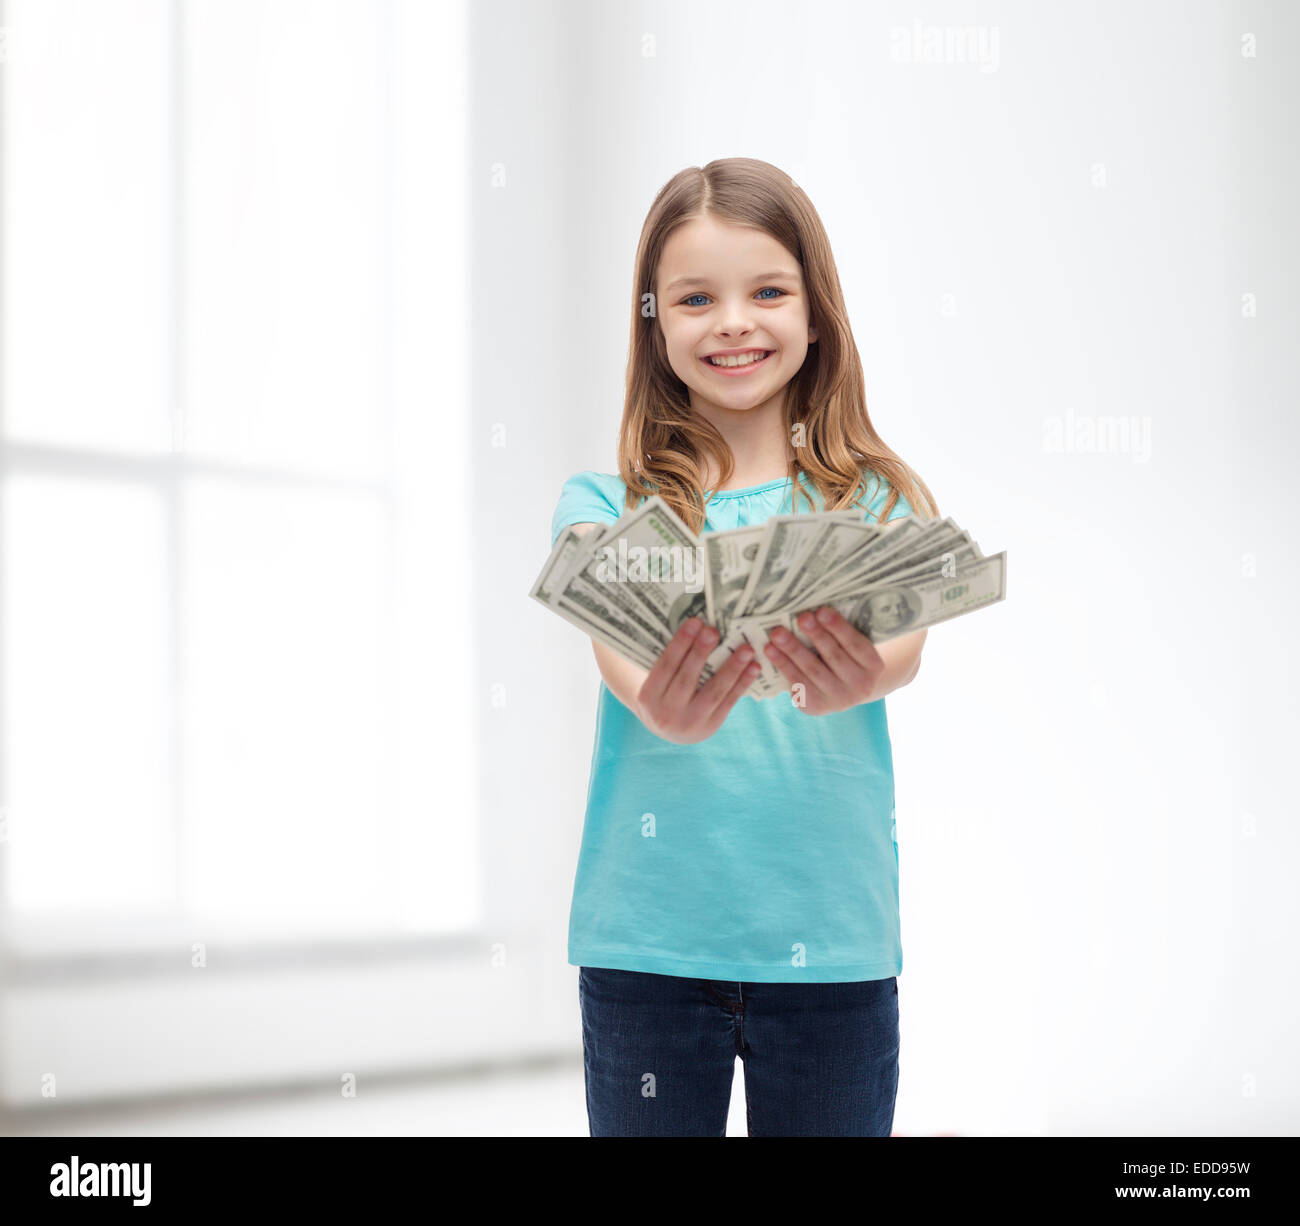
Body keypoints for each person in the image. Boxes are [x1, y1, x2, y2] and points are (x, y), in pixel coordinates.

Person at [548, 158, 940, 1137]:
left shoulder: (875, 502)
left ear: (817, 316)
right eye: (695, 298)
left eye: (767, 290)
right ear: (655, 324)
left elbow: (903, 645)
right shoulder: (603, 508)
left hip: (834, 949)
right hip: (647, 947)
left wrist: (865, 670)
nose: (732, 321)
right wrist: (658, 702)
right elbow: (621, 662)